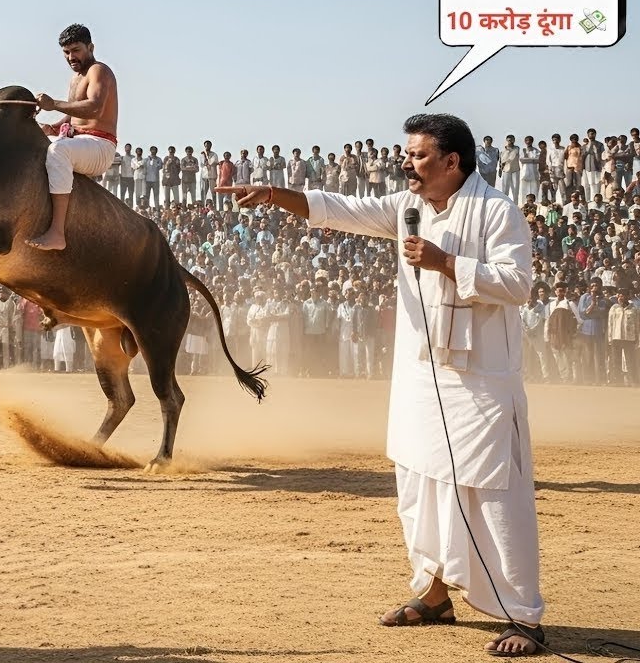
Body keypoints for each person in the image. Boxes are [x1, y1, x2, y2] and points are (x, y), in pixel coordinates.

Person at [216, 113, 545, 656]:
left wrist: (445, 263)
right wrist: (276, 193)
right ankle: (434, 594)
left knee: (492, 491)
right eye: (408, 153)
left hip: (481, 380)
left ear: (451, 162)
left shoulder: (497, 211)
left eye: (417, 155)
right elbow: (339, 209)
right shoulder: (406, 207)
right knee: (420, 482)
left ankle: (523, 616)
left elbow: (518, 284)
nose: (406, 163)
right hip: (419, 373)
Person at [27, 24, 119, 251]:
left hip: (100, 146)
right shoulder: (75, 79)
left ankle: (57, 233)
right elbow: (71, 118)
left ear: (91, 47)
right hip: (77, 142)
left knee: (58, 151)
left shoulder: (99, 71)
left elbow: (94, 108)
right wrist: (50, 128)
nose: (71, 57)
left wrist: (53, 104)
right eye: (66, 53)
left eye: (76, 50)